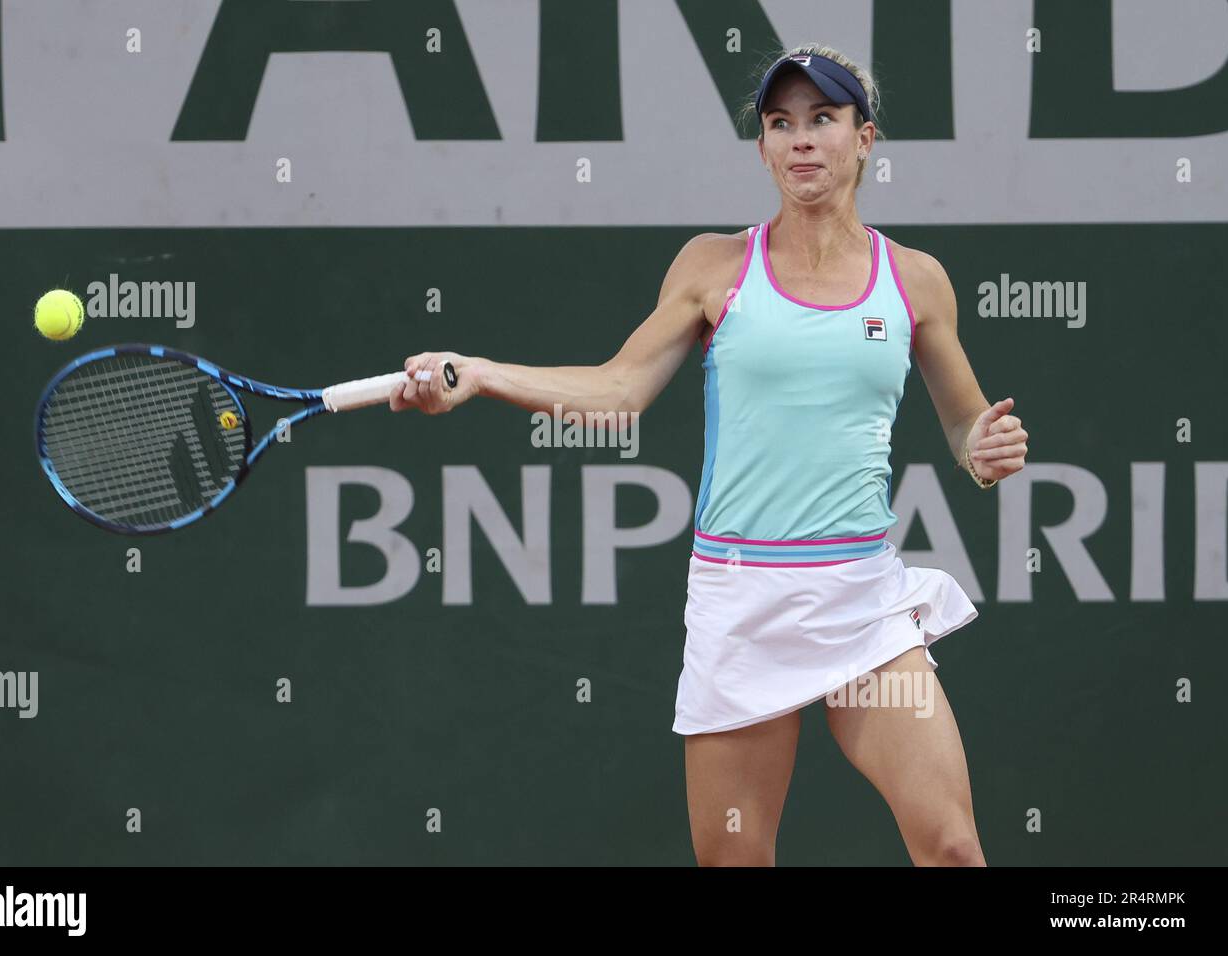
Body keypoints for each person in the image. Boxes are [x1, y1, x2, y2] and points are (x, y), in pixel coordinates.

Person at [388, 43, 1029, 866]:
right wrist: (480, 375)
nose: (801, 140)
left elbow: (964, 425)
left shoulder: (916, 281)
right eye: (780, 124)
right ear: (763, 147)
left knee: (951, 849)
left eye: (823, 120)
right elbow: (617, 392)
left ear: (864, 138)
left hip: (864, 602)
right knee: (735, 861)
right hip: (742, 606)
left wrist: (984, 448)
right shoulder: (712, 267)